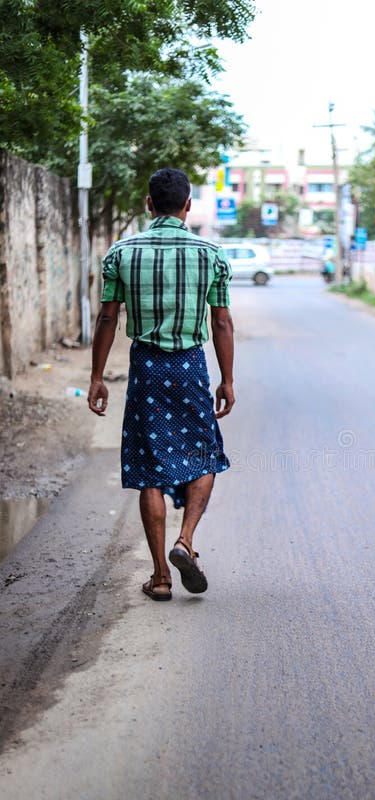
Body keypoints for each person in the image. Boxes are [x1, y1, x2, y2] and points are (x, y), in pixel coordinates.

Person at [88, 167, 235, 601]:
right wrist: (227, 379)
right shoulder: (211, 254)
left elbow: (108, 318)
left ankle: (160, 577)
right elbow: (221, 321)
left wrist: (96, 377)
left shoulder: (122, 252)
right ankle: (185, 540)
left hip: (147, 368)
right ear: (187, 206)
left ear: (148, 204)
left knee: (149, 467)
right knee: (204, 453)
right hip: (191, 366)